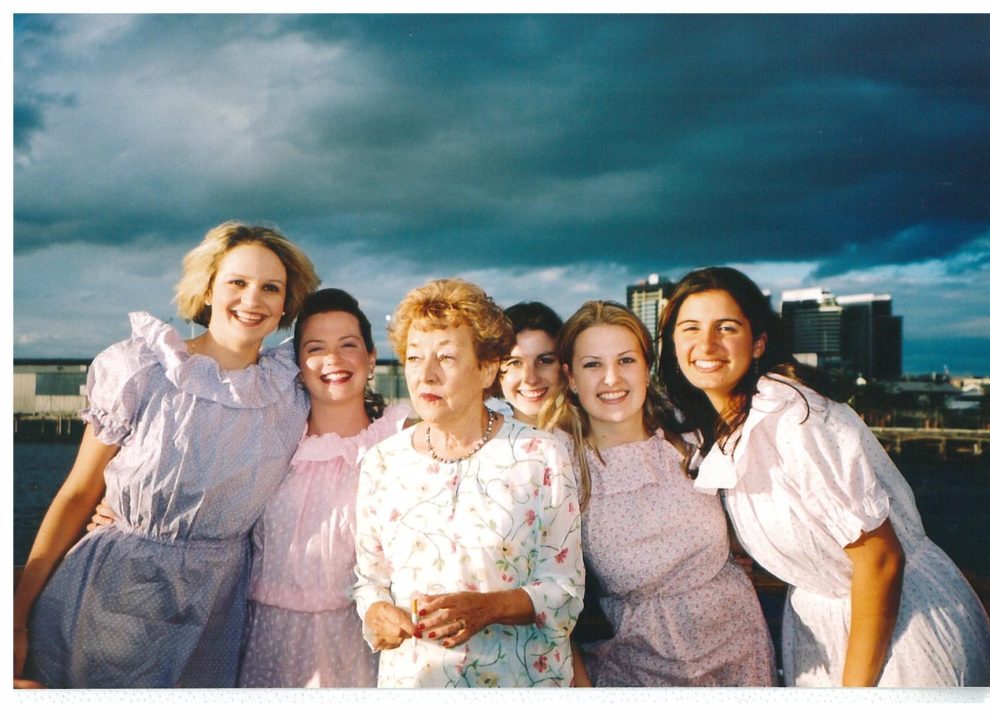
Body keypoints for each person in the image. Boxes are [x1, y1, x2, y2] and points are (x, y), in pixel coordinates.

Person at [657, 266, 990, 687]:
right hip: (830, 628)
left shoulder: (794, 419)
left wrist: (853, 695)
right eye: (690, 328)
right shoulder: (732, 425)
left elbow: (880, 559)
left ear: (758, 342)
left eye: (726, 327)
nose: (707, 344)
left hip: (898, 629)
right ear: (673, 344)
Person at [14, 222, 320, 688]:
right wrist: (16, 617)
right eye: (237, 282)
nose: (252, 299)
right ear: (208, 289)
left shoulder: (290, 392)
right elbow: (78, 492)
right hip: (110, 597)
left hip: (218, 612)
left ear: (286, 304)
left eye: (270, 288)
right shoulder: (144, 371)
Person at [352, 278, 584, 687]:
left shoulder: (540, 455)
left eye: (446, 357)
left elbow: (566, 590)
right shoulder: (381, 462)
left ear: (487, 368)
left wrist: (490, 608)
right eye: (414, 357)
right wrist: (375, 612)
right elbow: (370, 582)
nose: (426, 375)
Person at [540, 300, 775, 687]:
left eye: (626, 360)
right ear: (571, 377)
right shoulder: (559, 461)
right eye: (593, 364)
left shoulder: (690, 431)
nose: (612, 378)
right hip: (638, 665)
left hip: (739, 647)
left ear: (647, 368)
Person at [238, 289, 410, 687]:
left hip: (363, 647)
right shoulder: (269, 444)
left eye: (348, 345)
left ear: (371, 358)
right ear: (299, 366)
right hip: (268, 642)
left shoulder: (402, 444)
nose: (333, 359)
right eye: (316, 348)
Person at [495, 301, 563, 423]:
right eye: (515, 363)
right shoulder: (478, 433)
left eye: (544, 361)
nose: (531, 380)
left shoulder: (594, 432)